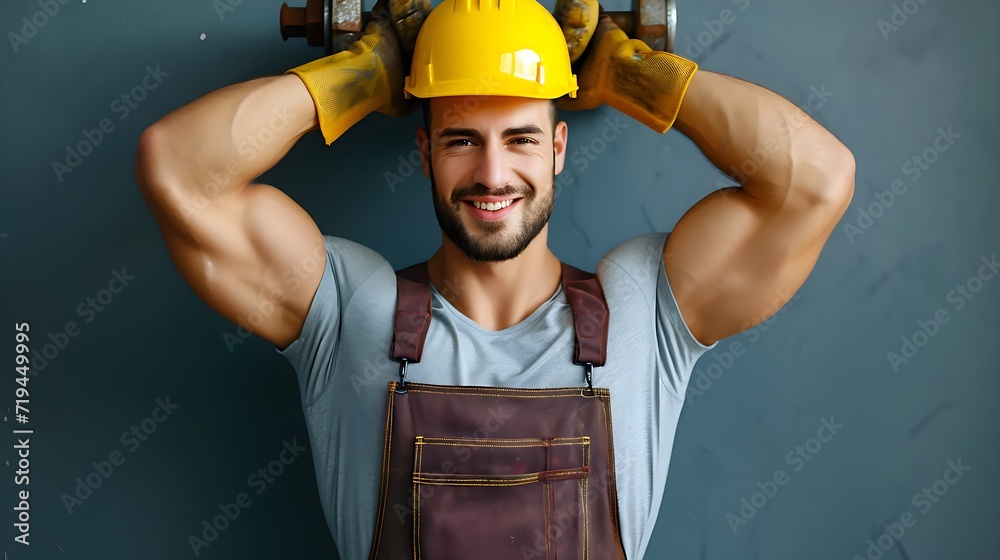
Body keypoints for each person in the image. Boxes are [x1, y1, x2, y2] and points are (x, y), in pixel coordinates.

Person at [135, 0, 855, 557]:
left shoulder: (642, 310)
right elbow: (178, 169)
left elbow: (817, 181)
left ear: (559, 146)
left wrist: (627, 72)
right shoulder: (354, 312)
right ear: (423, 151)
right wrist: (367, 71)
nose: (491, 174)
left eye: (520, 139)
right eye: (461, 140)